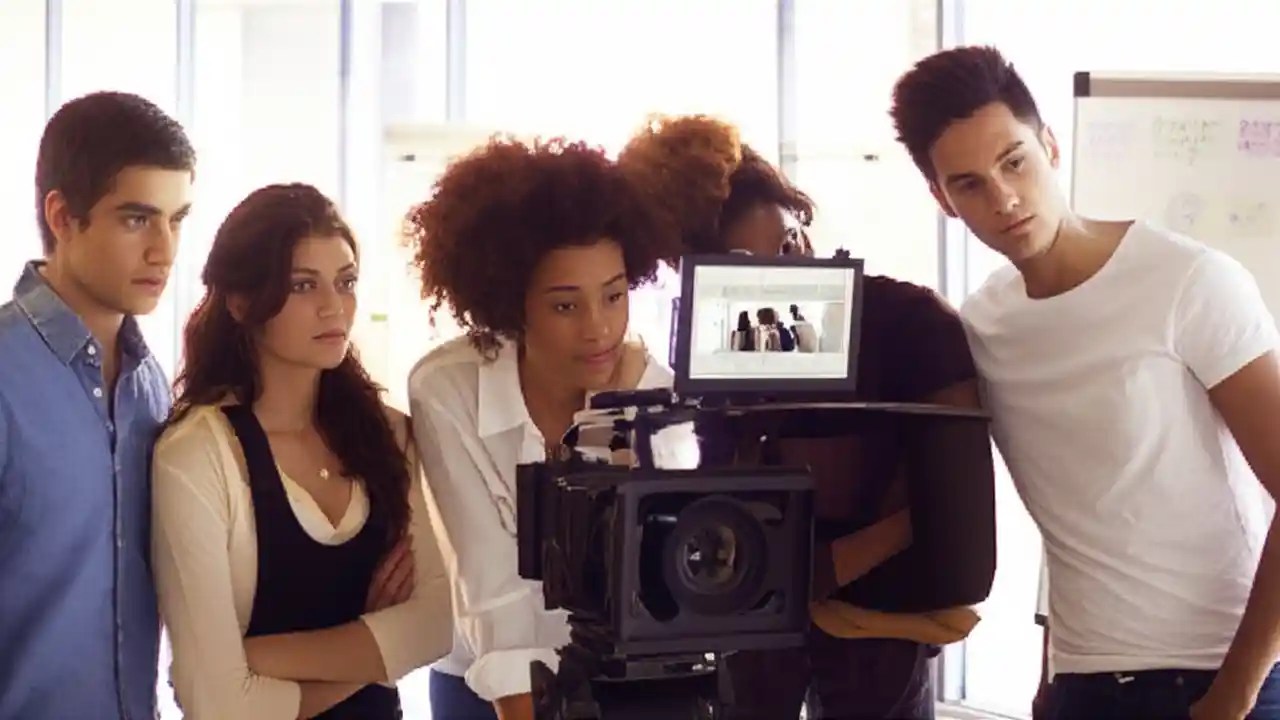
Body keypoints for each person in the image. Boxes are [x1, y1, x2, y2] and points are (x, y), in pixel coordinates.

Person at [890, 45, 1280, 720]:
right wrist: (1050, 680)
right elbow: (1078, 515)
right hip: (1081, 687)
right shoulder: (983, 328)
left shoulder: (1188, 281)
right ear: (942, 199)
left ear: (1050, 146)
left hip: (1221, 676)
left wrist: (1233, 697)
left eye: (1014, 161)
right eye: (970, 184)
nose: (1004, 197)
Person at [617, 114, 985, 719]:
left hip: (879, 628)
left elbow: (953, 502)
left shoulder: (912, 322)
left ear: (798, 211)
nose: (790, 275)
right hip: (751, 628)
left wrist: (818, 573)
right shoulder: (706, 352)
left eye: (789, 243)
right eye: (748, 272)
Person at [150, 184, 452, 719]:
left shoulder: (390, 435)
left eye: (346, 282)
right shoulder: (196, 456)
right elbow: (218, 705)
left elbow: (435, 627)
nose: (333, 306)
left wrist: (252, 660)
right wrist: (374, 649)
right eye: (302, 286)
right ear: (242, 302)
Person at [404, 136, 676, 720]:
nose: (598, 329)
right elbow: (491, 584)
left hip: (622, 680)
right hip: (484, 683)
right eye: (564, 305)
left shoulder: (658, 394)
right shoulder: (447, 389)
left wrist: (610, 415)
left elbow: (658, 578)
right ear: (511, 304)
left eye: (614, 295)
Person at [0, 91, 194, 719]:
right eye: (137, 219)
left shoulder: (151, 388)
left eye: (176, 220)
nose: (163, 251)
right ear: (62, 217)